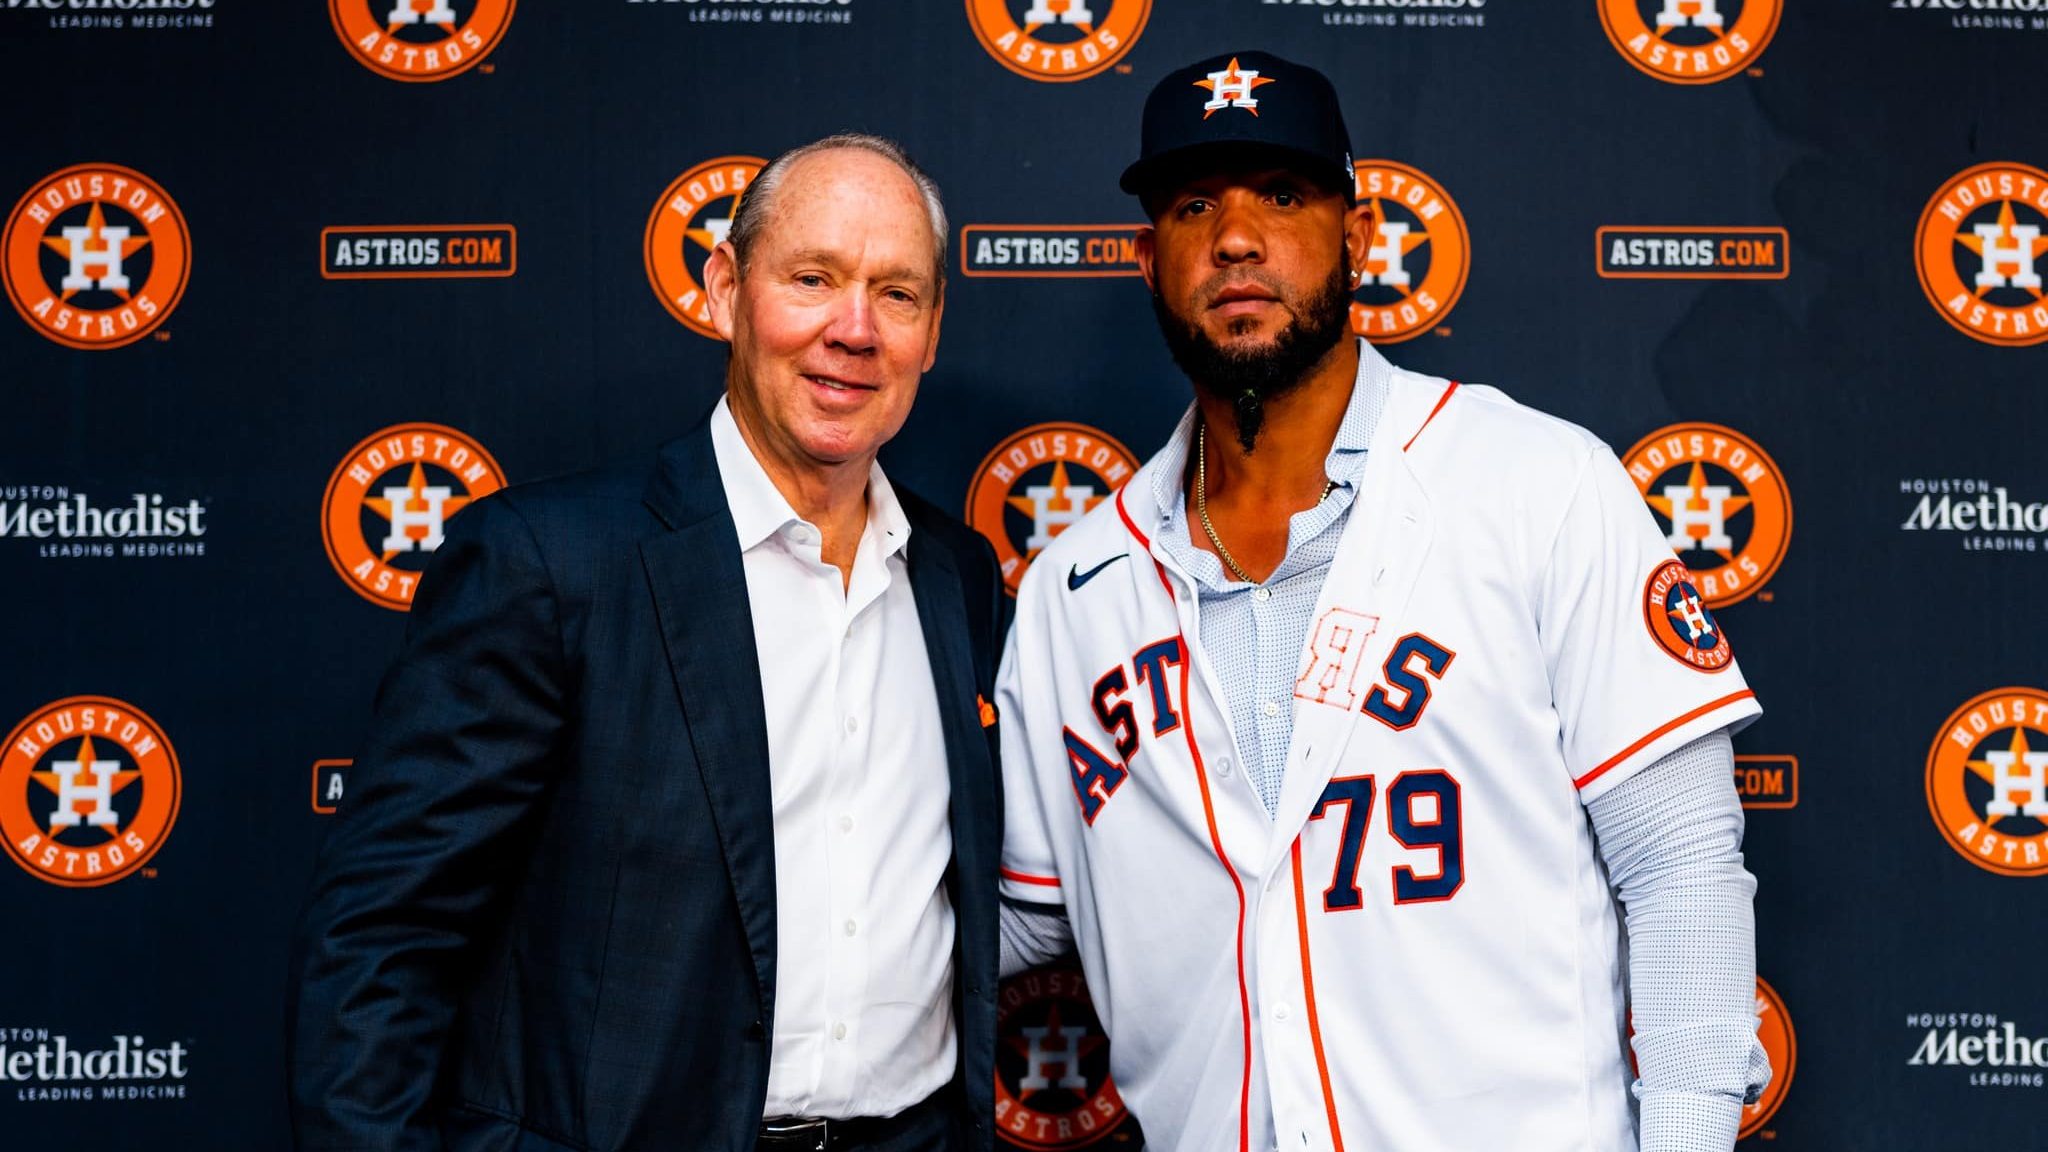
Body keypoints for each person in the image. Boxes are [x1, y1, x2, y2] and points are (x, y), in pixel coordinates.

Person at [995, 52, 1769, 1152]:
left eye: (1281, 194)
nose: (1235, 238)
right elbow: (1025, 917)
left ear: (1355, 231)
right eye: (1192, 204)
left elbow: (1679, 855)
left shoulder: (1534, 483)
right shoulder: (1074, 590)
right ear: (1146, 258)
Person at [289, 133, 1004, 1152]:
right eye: (811, 279)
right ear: (723, 289)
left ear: (931, 332)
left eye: (896, 294)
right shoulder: (547, 563)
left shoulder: (957, 577)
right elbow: (382, 937)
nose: (853, 329)